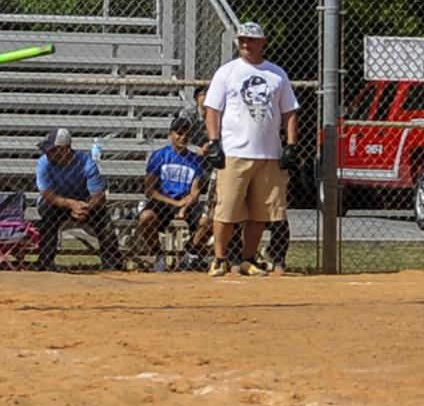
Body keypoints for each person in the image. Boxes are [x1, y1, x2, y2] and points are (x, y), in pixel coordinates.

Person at [200, 20, 300, 276]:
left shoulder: (277, 74)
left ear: (262, 42)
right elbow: (213, 109)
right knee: (227, 210)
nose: (245, 44)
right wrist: (214, 142)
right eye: (241, 40)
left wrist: (290, 146)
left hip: (268, 153)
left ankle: (247, 259)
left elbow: (289, 111)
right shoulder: (227, 71)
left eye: (251, 40)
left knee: (260, 212)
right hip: (235, 152)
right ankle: (220, 258)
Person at [32, 128, 119, 270]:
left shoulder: (86, 163)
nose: (47, 154)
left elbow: (99, 196)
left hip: (83, 203)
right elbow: (46, 193)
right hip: (56, 203)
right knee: (47, 212)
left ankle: (112, 263)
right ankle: (45, 263)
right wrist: (70, 204)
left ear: (65, 150)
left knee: (103, 217)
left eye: (52, 150)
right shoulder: (44, 163)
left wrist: (86, 207)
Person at [136, 115, 207, 271]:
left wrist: (183, 208)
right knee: (146, 217)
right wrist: (175, 204)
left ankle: (191, 252)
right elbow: (149, 190)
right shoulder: (159, 156)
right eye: (179, 133)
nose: (183, 137)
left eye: (186, 133)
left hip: (186, 201)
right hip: (163, 199)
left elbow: (195, 191)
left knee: (207, 221)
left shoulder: (195, 159)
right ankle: (157, 254)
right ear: (170, 135)